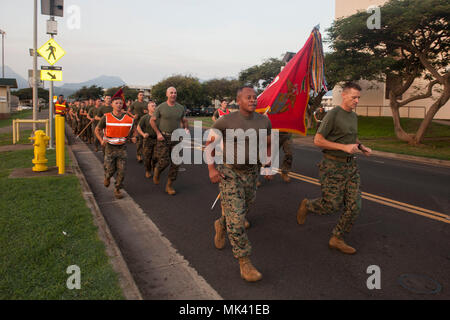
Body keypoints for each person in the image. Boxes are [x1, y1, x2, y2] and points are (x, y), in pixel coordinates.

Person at [296, 82, 372, 254]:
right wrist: (343, 148)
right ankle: (307, 205)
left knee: (355, 206)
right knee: (331, 205)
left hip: (350, 167)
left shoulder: (353, 116)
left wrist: (361, 147)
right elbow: (318, 140)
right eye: (354, 97)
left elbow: (352, 137)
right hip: (332, 166)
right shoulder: (333, 115)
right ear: (343, 95)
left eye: (358, 98)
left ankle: (337, 237)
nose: (357, 101)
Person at [206, 86, 272, 282]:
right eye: (248, 97)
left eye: (255, 97)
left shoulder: (264, 120)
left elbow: (269, 141)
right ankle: (244, 261)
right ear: (239, 100)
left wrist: (268, 162)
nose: (253, 100)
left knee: (242, 211)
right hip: (229, 173)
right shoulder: (226, 120)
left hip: (252, 173)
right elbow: (209, 144)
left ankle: (220, 224)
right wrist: (211, 169)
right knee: (237, 220)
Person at [95, 97, 137, 199]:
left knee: (122, 170)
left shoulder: (128, 119)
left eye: (120, 103)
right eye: (116, 103)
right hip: (109, 147)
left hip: (122, 148)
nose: (118, 105)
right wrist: (101, 140)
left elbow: (134, 129)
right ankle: (107, 177)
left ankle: (117, 189)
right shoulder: (106, 117)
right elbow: (97, 129)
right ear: (112, 105)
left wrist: (134, 136)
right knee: (110, 169)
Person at [150, 87, 189, 195]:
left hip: (176, 138)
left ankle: (169, 185)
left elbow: (184, 120)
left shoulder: (180, 108)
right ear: (167, 94)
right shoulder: (161, 107)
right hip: (164, 137)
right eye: (171, 93)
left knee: (176, 163)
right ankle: (157, 171)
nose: (173, 94)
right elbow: (152, 121)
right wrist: (158, 133)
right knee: (164, 161)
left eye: (175, 93)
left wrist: (186, 129)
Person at [137, 100, 158, 178]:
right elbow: (138, 127)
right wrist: (143, 134)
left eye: (155, 105)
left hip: (157, 139)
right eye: (152, 106)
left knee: (156, 156)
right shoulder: (145, 117)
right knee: (147, 157)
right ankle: (148, 170)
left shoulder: (159, 117)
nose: (154, 107)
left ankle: (154, 167)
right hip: (148, 139)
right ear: (148, 108)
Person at [128, 92, 148, 163]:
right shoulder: (134, 103)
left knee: (146, 140)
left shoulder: (146, 103)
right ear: (138, 96)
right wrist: (133, 116)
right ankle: (139, 155)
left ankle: (145, 154)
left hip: (146, 123)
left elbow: (152, 111)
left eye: (143, 95)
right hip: (137, 123)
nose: (141, 96)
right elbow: (128, 111)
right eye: (140, 95)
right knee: (139, 140)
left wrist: (147, 111)